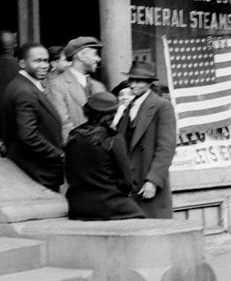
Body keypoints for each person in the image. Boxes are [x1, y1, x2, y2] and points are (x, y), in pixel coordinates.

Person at [64, 91, 146, 221]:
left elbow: (69, 174)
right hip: (109, 204)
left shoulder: (73, 135)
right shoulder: (113, 138)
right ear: (112, 114)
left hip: (77, 206)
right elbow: (126, 181)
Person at [0, 42, 63, 190]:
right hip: (36, 171)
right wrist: (58, 154)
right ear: (22, 63)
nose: (44, 66)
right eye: (37, 61)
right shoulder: (24, 91)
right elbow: (28, 135)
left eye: (46, 60)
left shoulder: (25, 85)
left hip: (37, 169)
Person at [117, 61, 177, 218]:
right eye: (131, 80)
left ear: (149, 83)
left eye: (138, 81)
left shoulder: (162, 106)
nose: (132, 85)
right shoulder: (129, 107)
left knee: (153, 226)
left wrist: (153, 181)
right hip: (130, 185)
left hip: (147, 182)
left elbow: (166, 148)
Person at [47, 36, 107, 145]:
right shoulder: (56, 85)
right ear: (80, 56)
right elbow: (64, 126)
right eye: (95, 54)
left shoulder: (99, 86)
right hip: (76, 151)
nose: (98, 59)